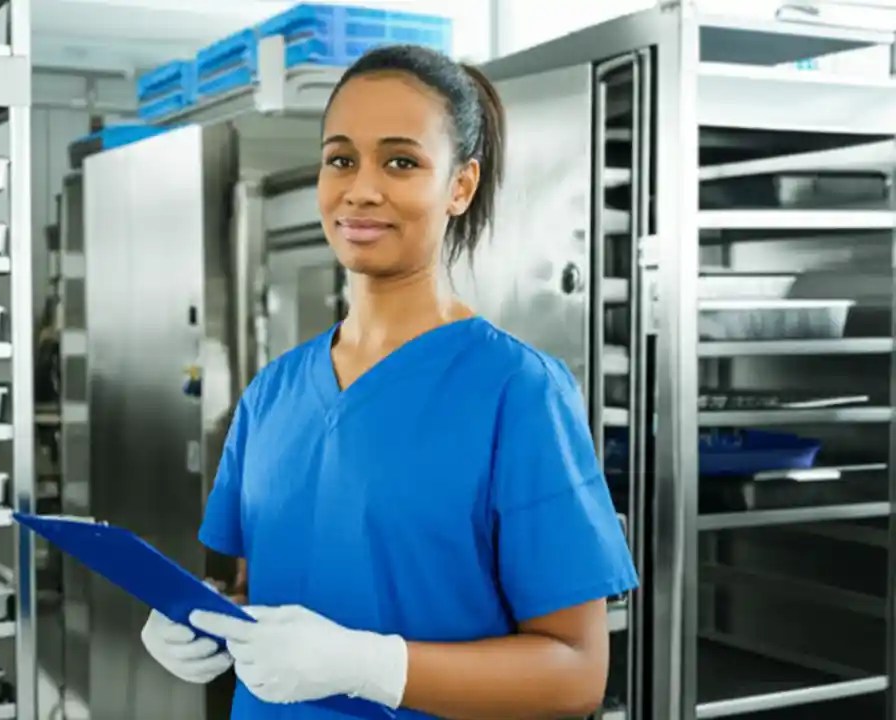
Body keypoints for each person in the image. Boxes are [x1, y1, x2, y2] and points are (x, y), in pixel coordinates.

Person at [139, 43, 638, 720]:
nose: (361, 187)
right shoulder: (273, 392)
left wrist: (371, 665)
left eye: (401, 161)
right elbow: (263, 591)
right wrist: (202, 622)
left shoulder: (517, 393)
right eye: (341, 158)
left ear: (459, 185)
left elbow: (575, 673)